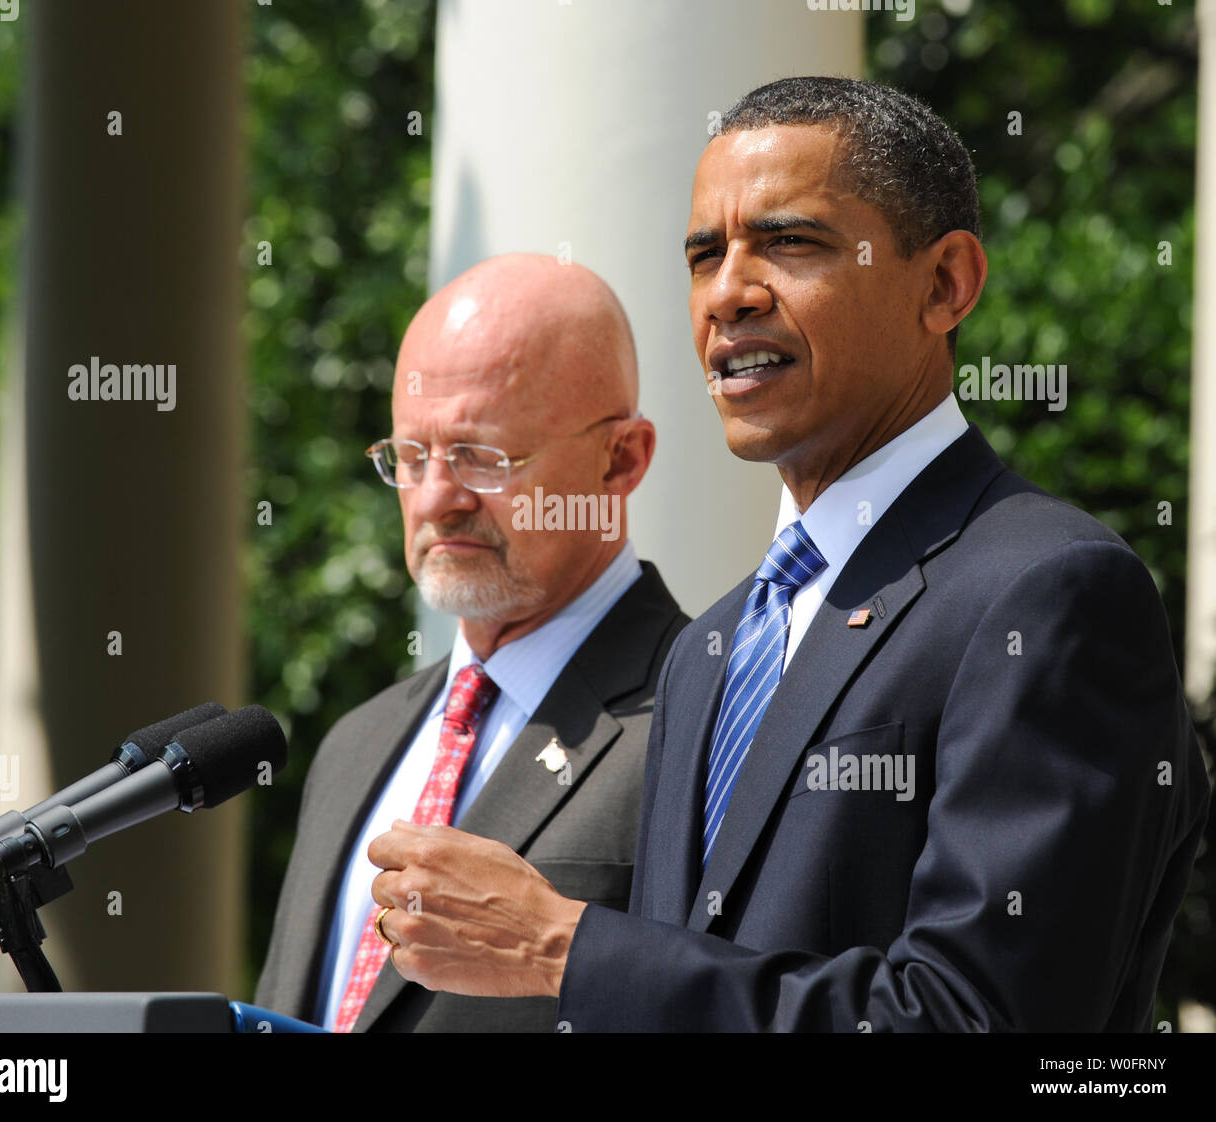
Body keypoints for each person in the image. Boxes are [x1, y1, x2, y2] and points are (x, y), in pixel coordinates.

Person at [365, 77, 1212, 1031]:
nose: (729, 294)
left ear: (945, 284)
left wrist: (562, 948)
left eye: (791, 242)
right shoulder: (710, 647)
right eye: (704, 255)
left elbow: (975, 1019)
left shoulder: (1049, 592)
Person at [255, 253, 686, 1032]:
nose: (437, 499)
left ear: (621, 459)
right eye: (411, 457)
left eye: (482, 457)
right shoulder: (357, 745)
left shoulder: (704, 717)